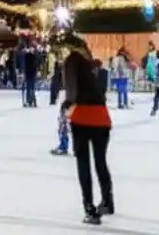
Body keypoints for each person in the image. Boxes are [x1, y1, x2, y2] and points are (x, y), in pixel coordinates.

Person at [56, 33, 114, 226]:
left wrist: (67, 104)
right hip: (102, 116)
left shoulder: (72, 60)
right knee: (100, 161)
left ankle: (89, 208)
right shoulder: (90, 61)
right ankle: (107, 201)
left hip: (83, 115)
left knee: (83, 163)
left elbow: (72, 89)